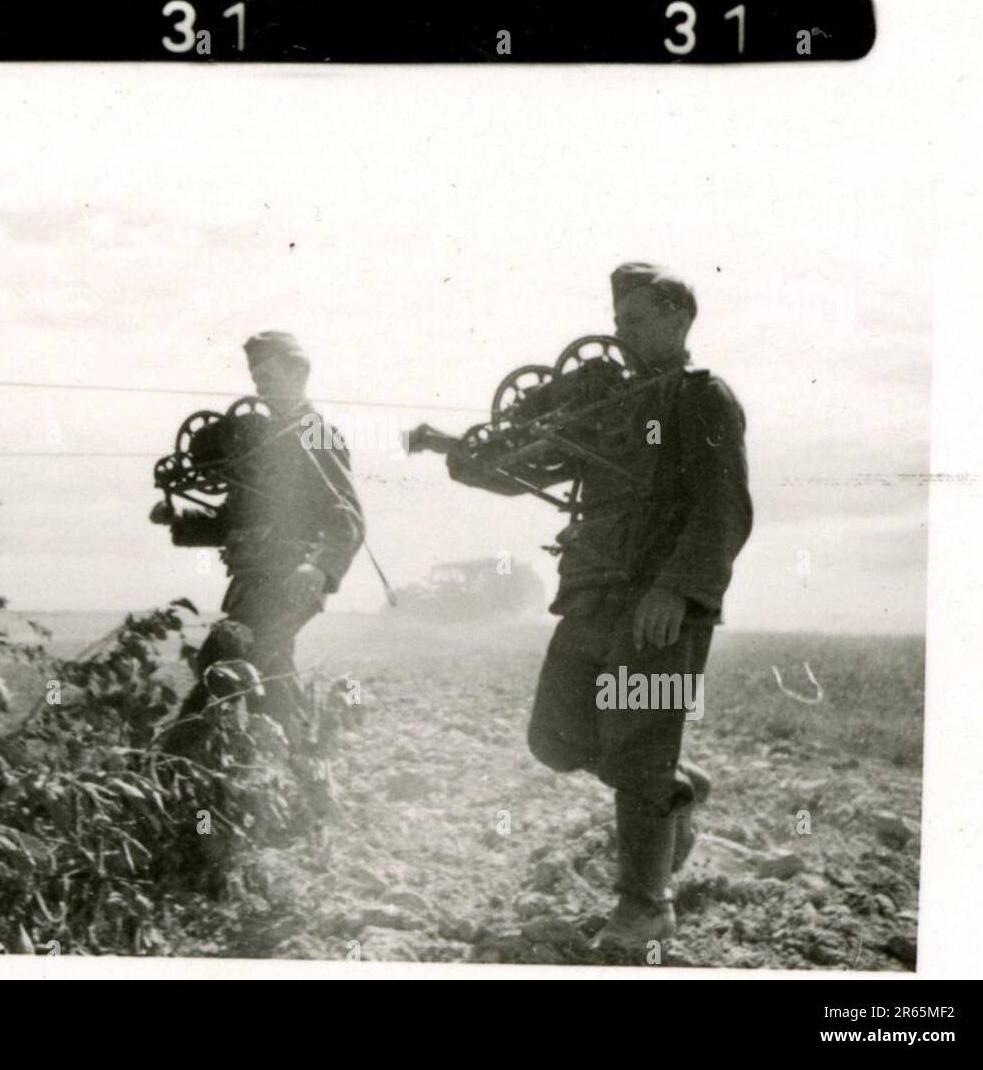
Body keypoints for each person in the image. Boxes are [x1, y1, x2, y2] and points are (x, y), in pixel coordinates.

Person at [417, 264, 752, 948]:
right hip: (592, 595)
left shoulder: (704, 399)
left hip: (660, 608)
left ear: (678, 316)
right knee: (555, 736)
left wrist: (677, 590)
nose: (619, 331)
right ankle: (673, 789)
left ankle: (645, 906)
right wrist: (456, 448)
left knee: (637, 748)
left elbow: (726, 508)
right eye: (617, 317)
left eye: (634, 318)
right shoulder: (611, 407)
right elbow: (522, 464)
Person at [152, 331, 365, 745]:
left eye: (268, 375)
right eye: (255, 377)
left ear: (298, 373)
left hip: (290, 578)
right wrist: (179, 520)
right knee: (271, 685)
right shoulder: (259, 441)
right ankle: (307, 777)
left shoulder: (315, 432)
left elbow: (348, 515)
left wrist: (319, 565)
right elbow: (233, 519)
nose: (259, 385)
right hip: (251, 580)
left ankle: (172, 760)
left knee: (223, 659)